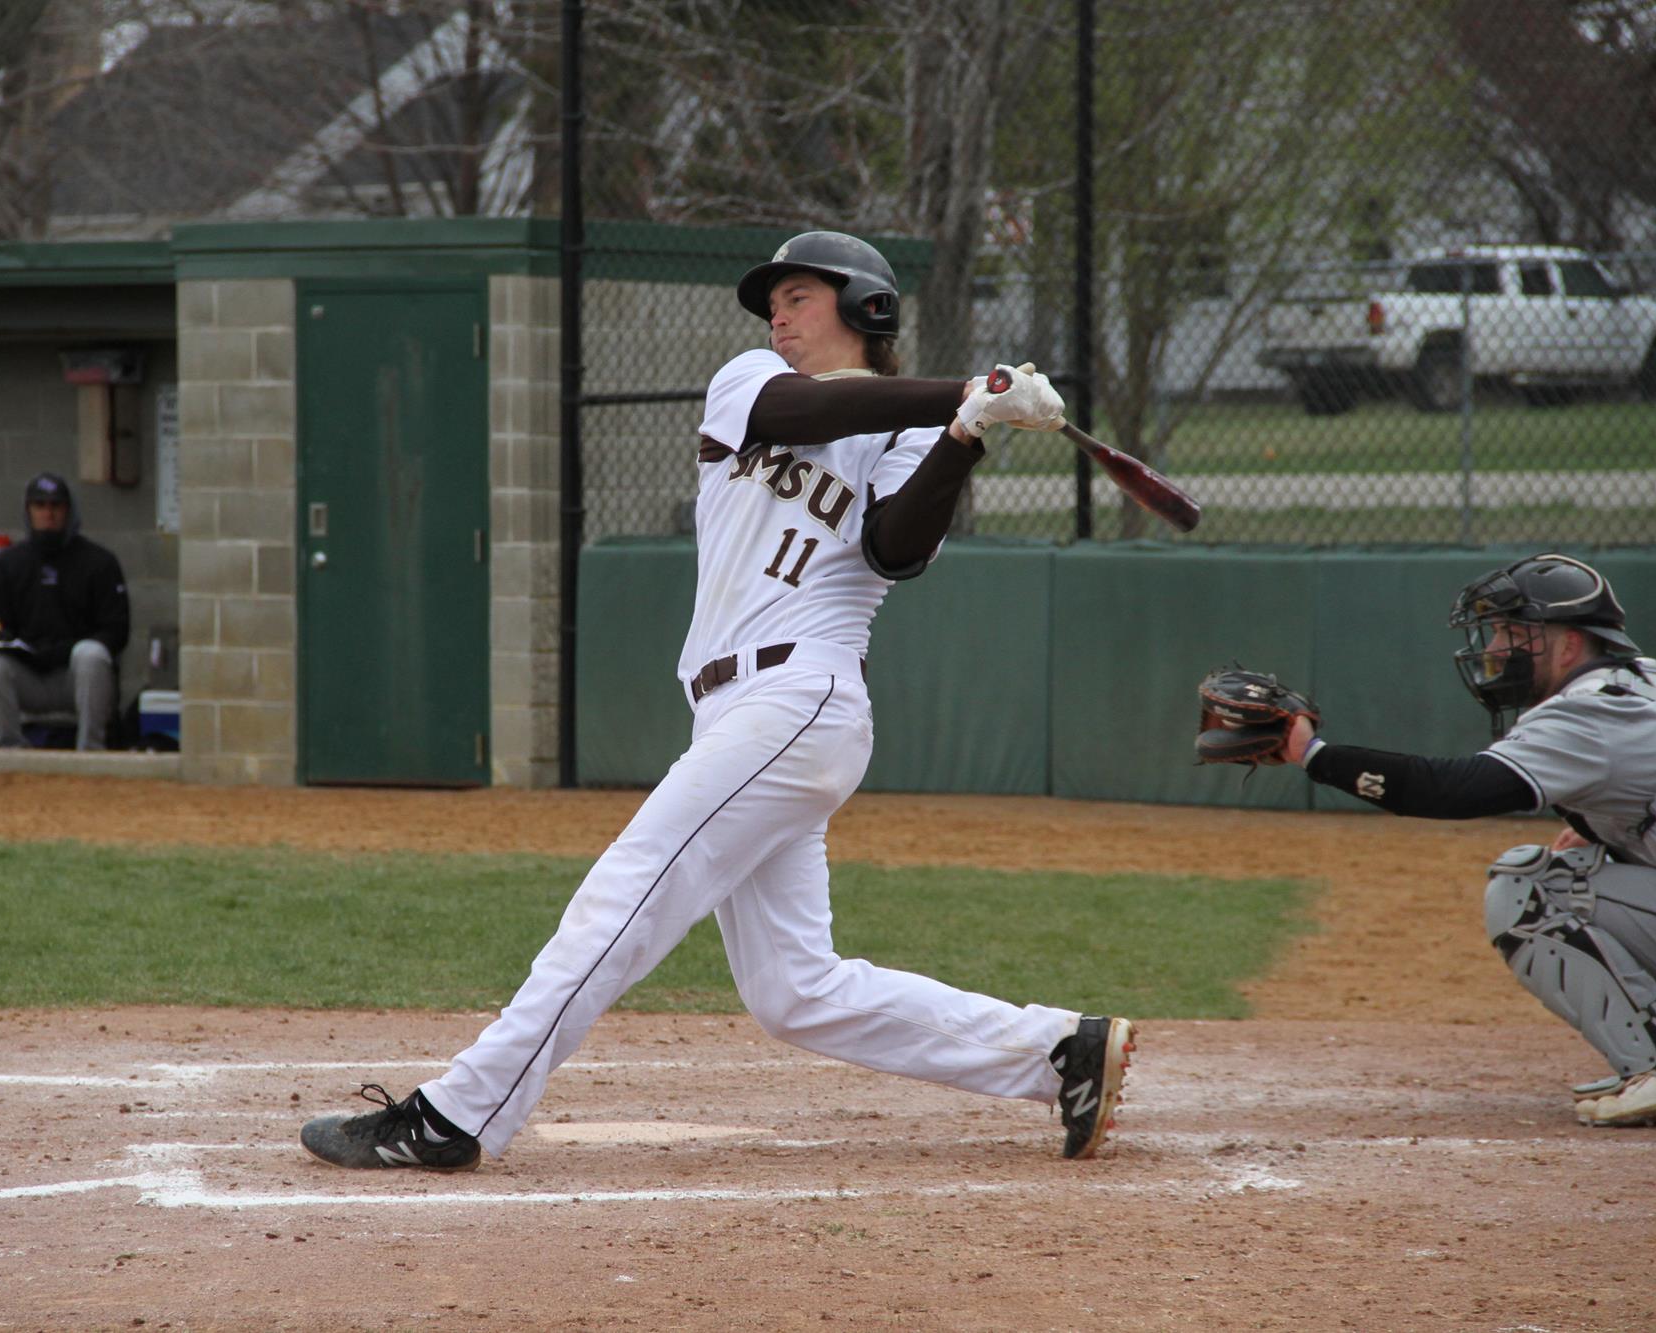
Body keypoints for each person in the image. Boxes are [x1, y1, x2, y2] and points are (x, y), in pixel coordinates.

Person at [300, 230, 1137, 1173]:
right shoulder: (748, 382)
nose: (776, 317)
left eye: (798, 298)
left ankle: (457, 1114)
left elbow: (895, 550)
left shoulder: (908, 433)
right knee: (793, 990)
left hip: (800, 694)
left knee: (628, 887)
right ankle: (1055, 1051)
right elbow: (800, 410)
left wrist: (959, 436)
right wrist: (963, 391)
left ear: (867, 307)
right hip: (743, 711)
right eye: (772, 302)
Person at [1282, 553, 1656, 1128]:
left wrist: (1312, 754)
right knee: (1580, 857)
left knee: (1531, 884)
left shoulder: (1589, 716)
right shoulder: (1652, 688)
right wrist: (1597, 832)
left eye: (1514, 632)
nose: (1496, 647)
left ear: (1570, 645)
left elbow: (1453, 791)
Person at [0, 472, 129, 751]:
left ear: (68, 511)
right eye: (40, 506)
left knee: (91, 655)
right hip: (30, 675)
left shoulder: (99, 562)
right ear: (29, 511)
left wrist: (66, 649)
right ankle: (12, 750)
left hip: (76, 674)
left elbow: (117, 630)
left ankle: (90, 750)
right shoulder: (10, 562)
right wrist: (15, 646)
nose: (48, 514)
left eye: (56, 506)